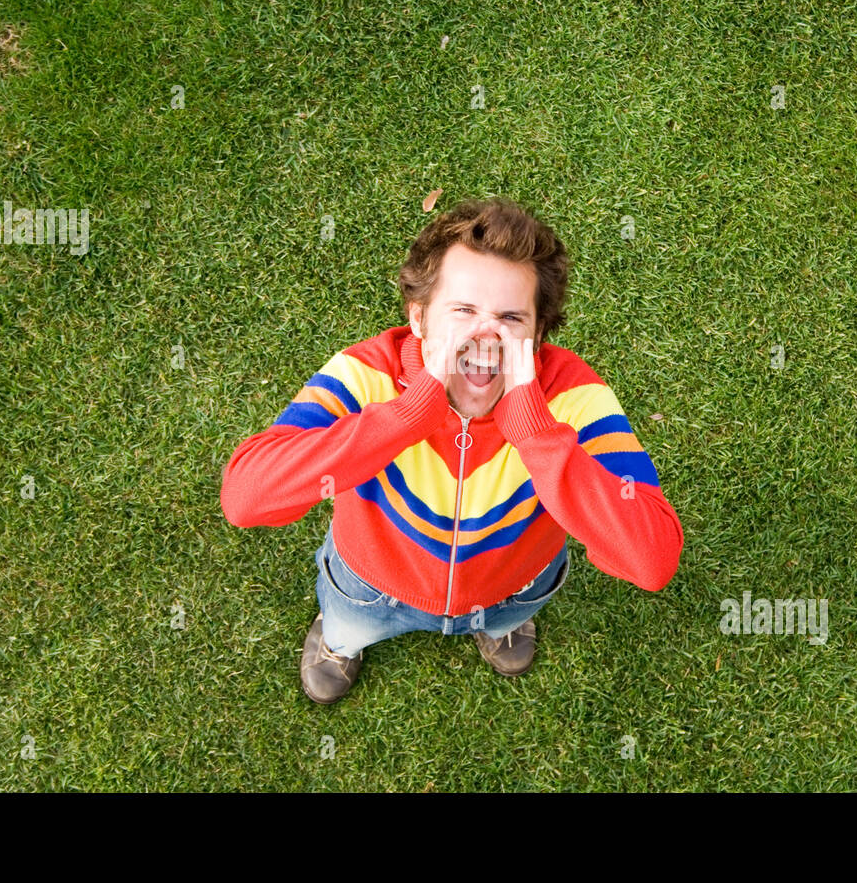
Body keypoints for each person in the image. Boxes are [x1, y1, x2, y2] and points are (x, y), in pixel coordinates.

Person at [221, 196, 683, 703]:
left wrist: (533, 429)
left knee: (511, 611)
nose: (486, 335)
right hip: (370, 588)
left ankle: (501, 626)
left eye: (511, 317)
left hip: (515, 586)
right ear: (418, 318)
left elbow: (652, 559)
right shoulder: (364, 375)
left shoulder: (574, 397)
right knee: (347, 626)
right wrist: (405, 416)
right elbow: (246, 497)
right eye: (463, 310)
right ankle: (339, 643)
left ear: (539, 334)